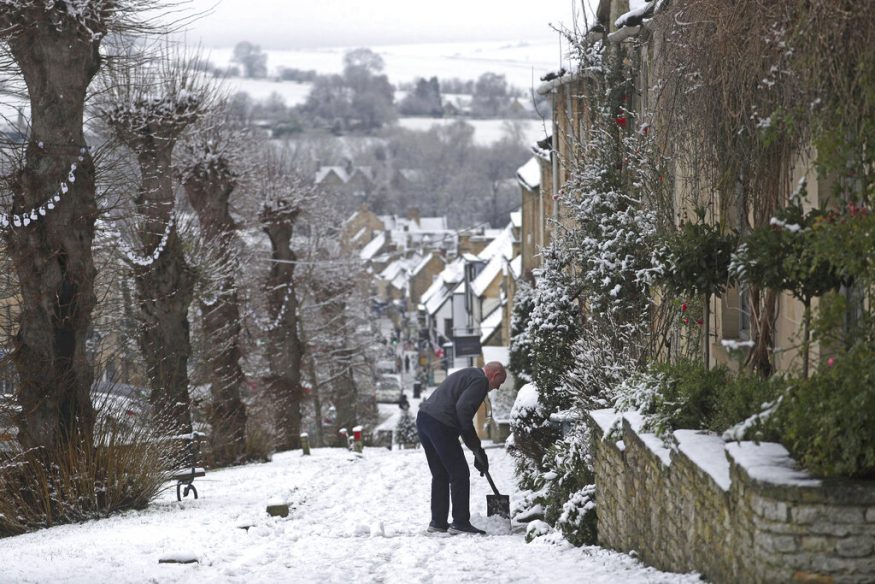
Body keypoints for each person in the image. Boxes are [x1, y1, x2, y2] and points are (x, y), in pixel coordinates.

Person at [416, 361, 507, 535]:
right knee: (459, 473)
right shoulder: (480, 381)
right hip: (441, 424)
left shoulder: (469, 374)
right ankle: (460, 522)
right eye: (499, 382)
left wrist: (476, 449)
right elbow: (463, 411)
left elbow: (461, 412)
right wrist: (477, 449)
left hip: (424, 420)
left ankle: (438, 522)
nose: (497, 387)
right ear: (494, 375)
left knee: (440, 473)